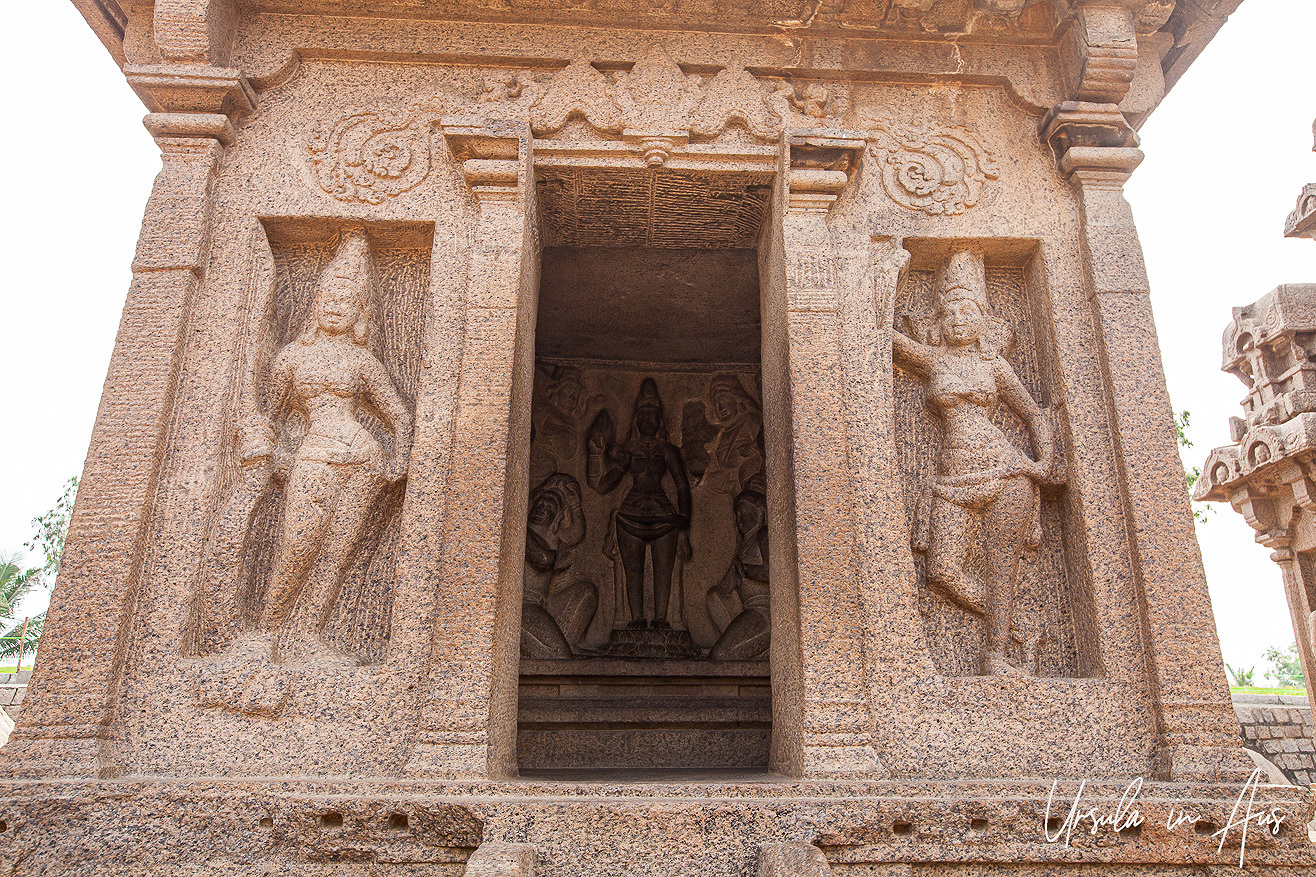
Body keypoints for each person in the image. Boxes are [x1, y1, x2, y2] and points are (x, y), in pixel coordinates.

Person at [243, 230, 412, 665]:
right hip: (313, 454)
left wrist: (399, 455)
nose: (336, 306)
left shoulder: (361, 361)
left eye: (347, 302)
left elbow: (398, 413)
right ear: (316, 304)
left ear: (359, 312)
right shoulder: (292, 358)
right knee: (299, 542)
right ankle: (265, 632)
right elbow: (269, 414)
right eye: (329, 299)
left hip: (363, 458)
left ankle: (307, 635)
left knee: (338, 551)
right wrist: (273, 455)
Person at [891, 248, 1060, 676]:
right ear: (939, 322)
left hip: (1005, 470)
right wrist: (881, 278)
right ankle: (1018, 623)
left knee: (1002, 566)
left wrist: (1044, 460)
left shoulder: (995, 366)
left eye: (967, 311)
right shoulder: (936, 360)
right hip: (954, 476)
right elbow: (892, 344)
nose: (958, 320)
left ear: (984, 319)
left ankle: (997, 653)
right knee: (941, 570)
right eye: (949, 313)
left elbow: (1035, 413)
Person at [587, 378, 692, 630]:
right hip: (631, 512)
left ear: (660, 421)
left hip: (662, 513)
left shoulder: (668, 451)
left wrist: (685, 523)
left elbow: (681, 487)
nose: (648, 421)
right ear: (636, 419)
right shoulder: (627, 449)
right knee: (632, 570)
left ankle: (660, 619)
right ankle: (634, 619)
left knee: (663, 571)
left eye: (652, 417)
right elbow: (604, 485)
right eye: (643, 416)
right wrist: (607, 456)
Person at [521, 473, 596, 659]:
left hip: (544, 604)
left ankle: (568, 643)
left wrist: (574, 505)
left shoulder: (554, 539)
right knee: (559, 657)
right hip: (524, 606)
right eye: (540, 503)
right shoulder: (522, 532)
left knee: (587, 593)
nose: (541, 508)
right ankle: (552, 652)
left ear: (557, 517)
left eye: (549, 506)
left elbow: (576, 533)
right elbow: (543, 560)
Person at [706, 473, 770, 660]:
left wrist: (747, 570)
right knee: (713, 596)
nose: (739, 517)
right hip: (747, 607)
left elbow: (774, 573)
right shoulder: (743, 547)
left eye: (743, 510)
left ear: (759, 511)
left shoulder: (764, 535)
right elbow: (725, 588)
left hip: (764, 611)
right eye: (736, 513)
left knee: (719, 655)